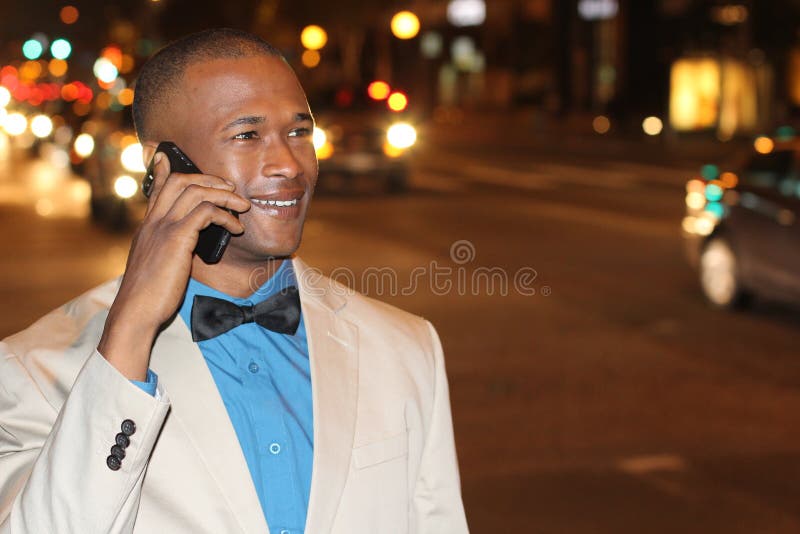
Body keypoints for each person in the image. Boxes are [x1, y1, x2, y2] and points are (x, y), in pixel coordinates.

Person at [0, 29, 468, 534]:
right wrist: (131, 330)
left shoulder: (406, 346)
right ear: (164, 164)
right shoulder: (32, 371)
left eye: (299, 132)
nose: (289, 164)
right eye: (247, 135)